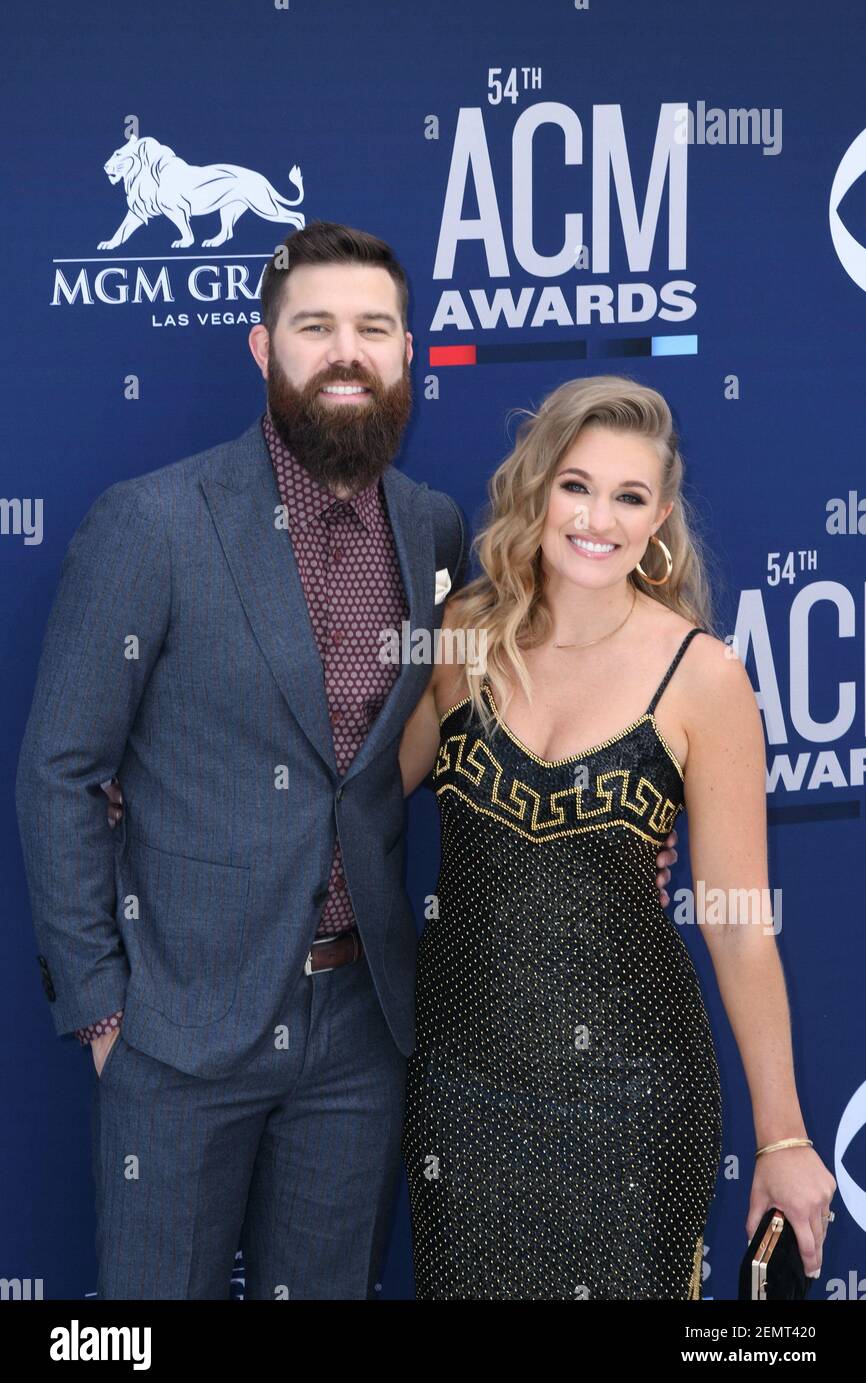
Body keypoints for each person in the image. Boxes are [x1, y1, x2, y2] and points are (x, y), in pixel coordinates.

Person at [15, 222, 678, 1300]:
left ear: (407, 350)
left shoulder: (434, 532)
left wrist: (622, 833)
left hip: (364, 1027)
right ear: (261, 347)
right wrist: (104, 1012)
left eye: (372, 328)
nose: (344, 351)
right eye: (314, 325)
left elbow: (503, 725)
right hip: (181, 1029)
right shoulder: (153, 523)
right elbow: (60, 771)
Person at [397, 375, 836, 1299]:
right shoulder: (463, 635)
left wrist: (784, 1137)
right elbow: (358, 796)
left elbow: (738, 923)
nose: (598, 517)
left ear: (660, 519)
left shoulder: (703, 676)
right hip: (462, 1086)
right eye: (576, 485)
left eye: (629, 496)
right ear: (537, 490)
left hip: (636, 1097)